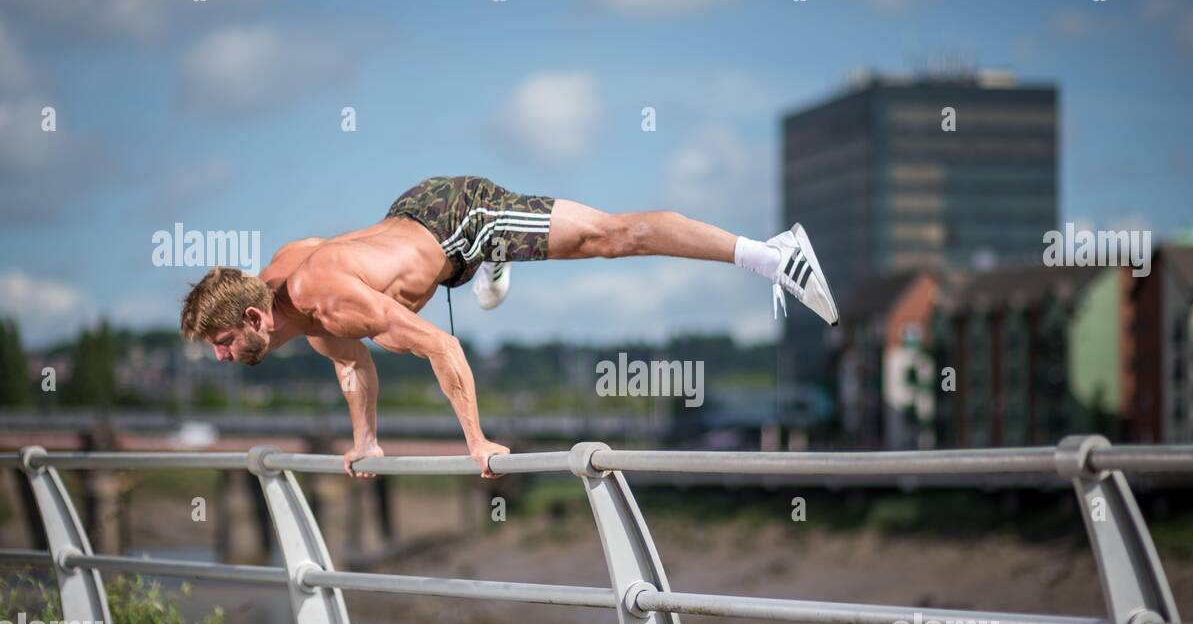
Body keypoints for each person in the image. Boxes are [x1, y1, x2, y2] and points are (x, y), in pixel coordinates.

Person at [179, 175, 839, 478]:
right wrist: (366, 442)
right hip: (411, 226)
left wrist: (477, 440)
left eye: (223, 343)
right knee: (370, 339)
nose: (222, 357)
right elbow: (352, 365)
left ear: (256, 317)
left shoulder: (322, 298)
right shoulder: (285, 296)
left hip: (460, 220)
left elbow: (444, 344)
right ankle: (488, 266)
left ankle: (772, 254)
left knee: (613, 237)